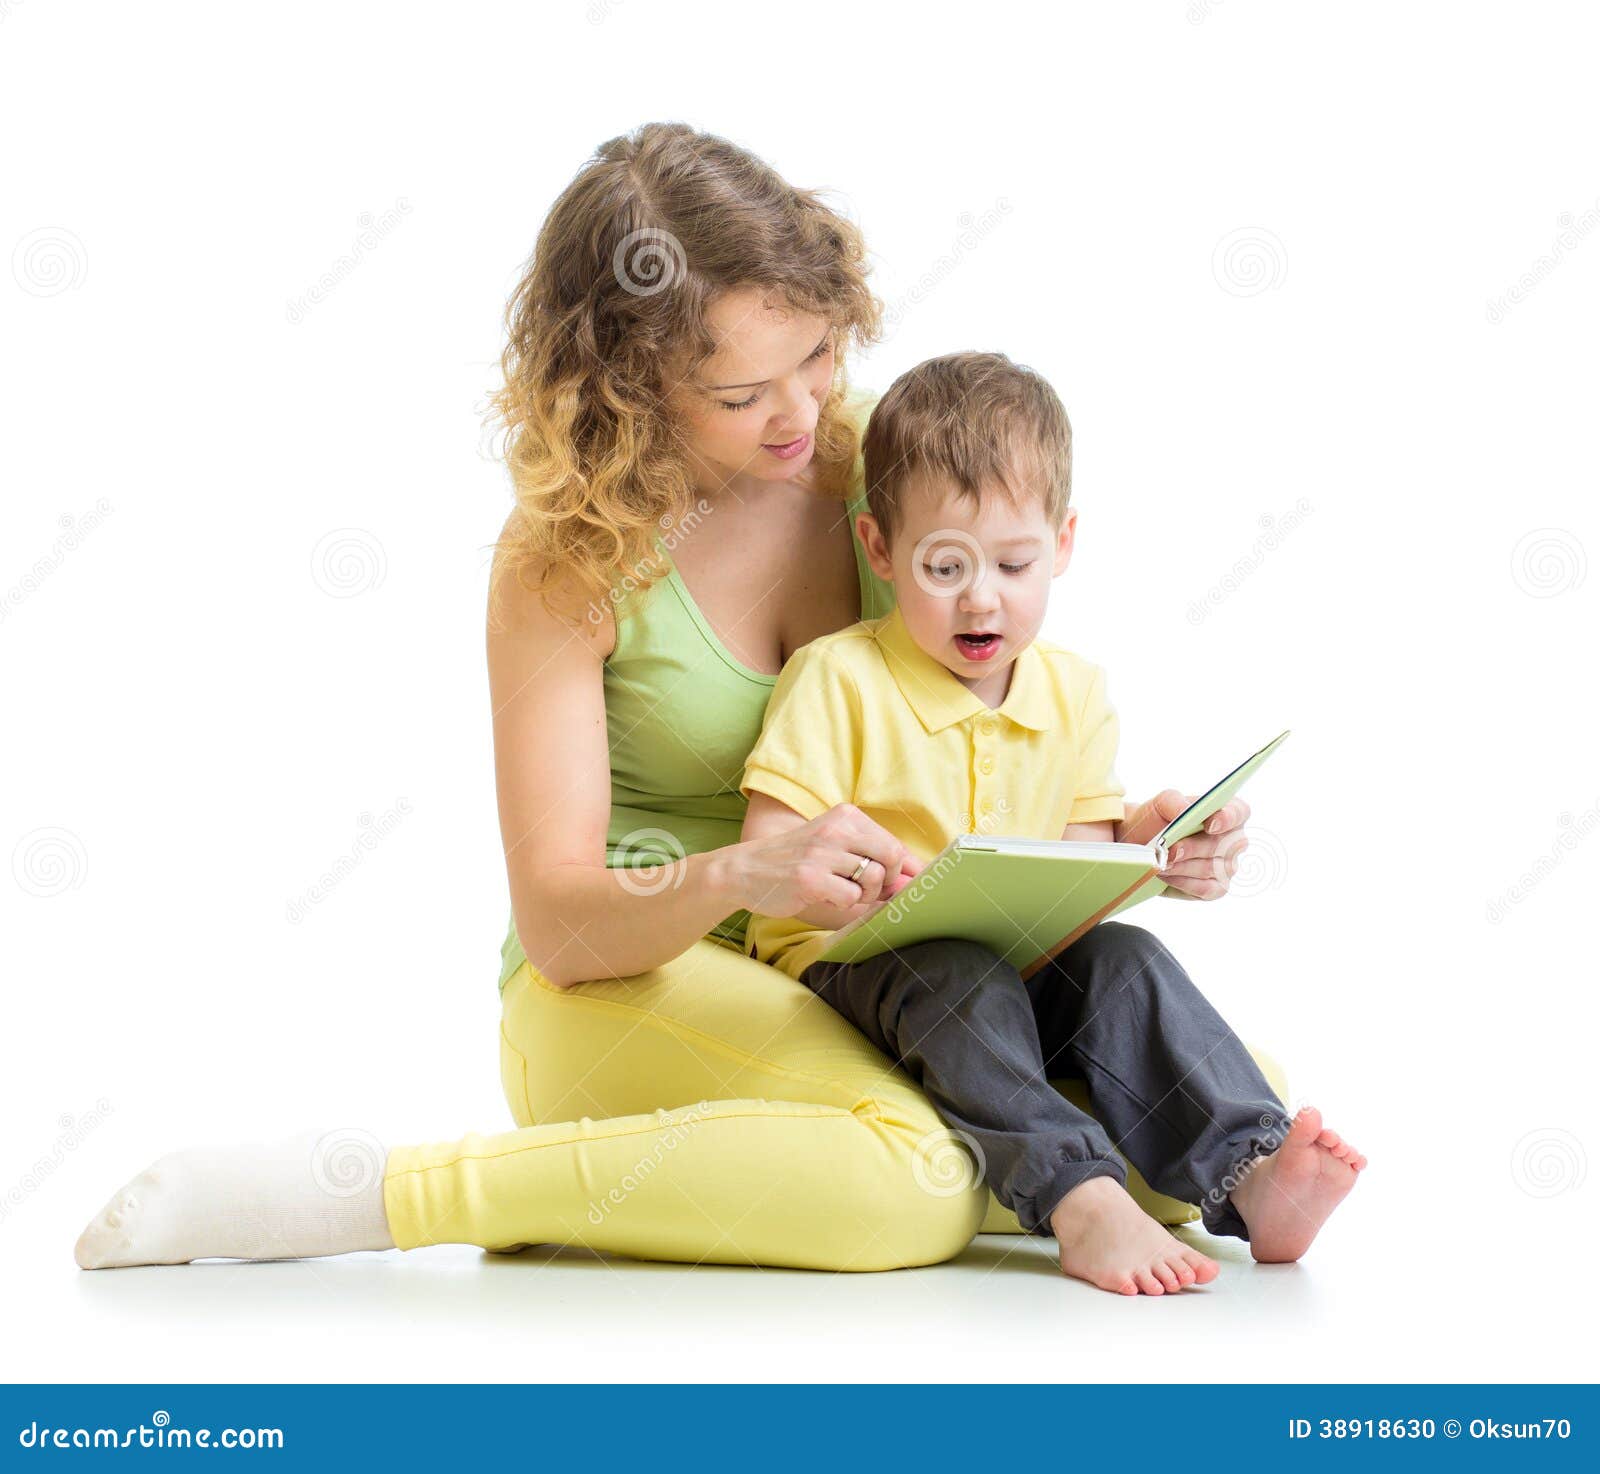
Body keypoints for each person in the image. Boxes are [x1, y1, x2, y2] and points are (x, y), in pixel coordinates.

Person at [74, 123, 1271, 1277]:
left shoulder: (870, 473)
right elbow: (558, 923)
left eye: (814, 356)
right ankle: (395, 1194)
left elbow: (1000, 712)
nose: (800, 412)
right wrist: (745, 875)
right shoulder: (564, 560)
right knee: (907, 1186)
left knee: (1202, 1125)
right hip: (625, 982)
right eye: (742, 392)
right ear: (629, 387)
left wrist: (1127, 843)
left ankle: (986, 1163)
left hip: (874, 972)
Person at [738, 352, 1366, 1295]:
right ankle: (1078, 1194)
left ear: (1063, 543)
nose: (981, 596)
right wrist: (854, 882)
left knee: (1126, 963)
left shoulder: (1074, 691)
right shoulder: (837, 677)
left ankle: (1256, 1176)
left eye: (1014, 563)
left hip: (1015, 967)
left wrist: (1146, 851)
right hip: (857, 962)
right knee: (957, 972)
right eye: (943, 566)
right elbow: (765, 860)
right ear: (877, 550)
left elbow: (1067, 880)